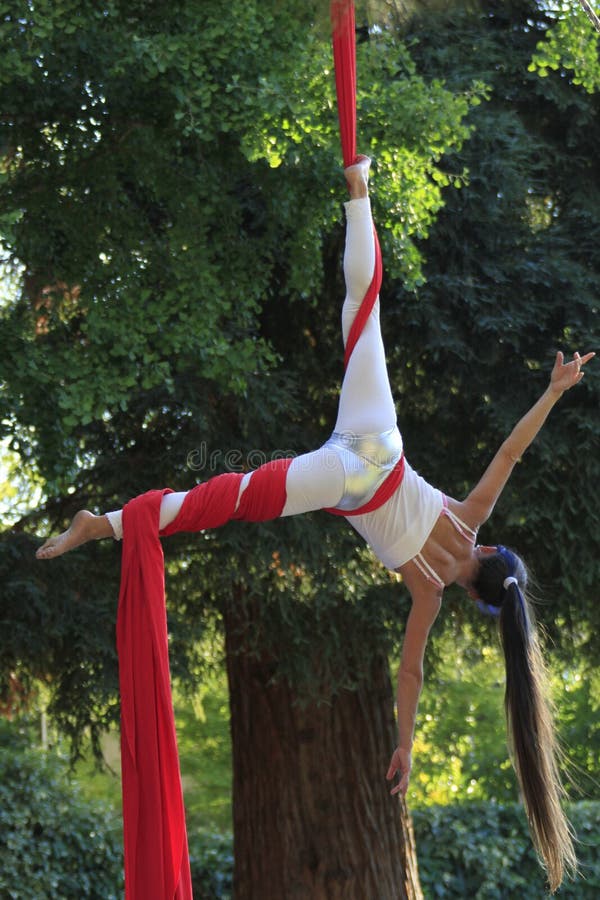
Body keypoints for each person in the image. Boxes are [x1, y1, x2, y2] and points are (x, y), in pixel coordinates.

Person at [36, 158, 593, 891]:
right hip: (346, 483)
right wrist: (404, 743)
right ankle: (103, 523)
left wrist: (554, 391)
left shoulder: (469, 519)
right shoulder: (428, 592)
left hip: (377, 443)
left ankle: (357, 183)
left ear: (489, 551)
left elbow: (512, 451)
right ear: (476, 595)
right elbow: (410, 672)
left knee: (364, 309)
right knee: (220, 500)